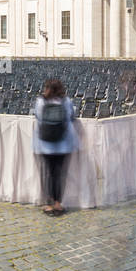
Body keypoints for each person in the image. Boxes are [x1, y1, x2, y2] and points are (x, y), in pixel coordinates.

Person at [32, 77, 77, 215]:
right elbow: (71, 116)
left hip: (46, 143)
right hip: (63, 143)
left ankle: (49, 205)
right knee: (59, 174)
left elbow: (38, 116)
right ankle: (58, 204)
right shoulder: (66, 101)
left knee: (48, 174)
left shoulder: (40, 101)